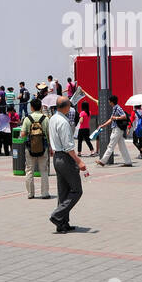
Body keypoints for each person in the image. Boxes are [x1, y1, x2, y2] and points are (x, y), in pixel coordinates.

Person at [48, 94, 89, 232]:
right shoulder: (63, 122)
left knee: (63, 192)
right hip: (65, 158)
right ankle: (57, 215)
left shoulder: (53, 119)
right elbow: (68, 147)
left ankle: (62, 223)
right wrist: (79, 161)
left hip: (57, 157)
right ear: (67, 107)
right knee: (77, 190)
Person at [21, 97, 51, 199]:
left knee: (29, 171)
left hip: (30, 148)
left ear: (32, 107)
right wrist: (51, 148)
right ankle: (45, 193)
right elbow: (48, 134)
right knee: (44, 170)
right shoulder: (46, 119)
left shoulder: (27, 119)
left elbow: (23, 134)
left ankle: (30, 193)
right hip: (44, 147)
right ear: (41, 107)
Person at [97, 96, 133, 167]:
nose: (109, 102)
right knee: (122, 147)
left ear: (112, 102)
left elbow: (124, 116)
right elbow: (111, 119)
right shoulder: (115, 108)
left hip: (117, 129)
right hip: (117, 130)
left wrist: (116, 118)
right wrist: (103, 125)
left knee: (110, 146)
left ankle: (103, 161)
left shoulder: (118, 108)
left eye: (109, 101)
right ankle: (128, 162)